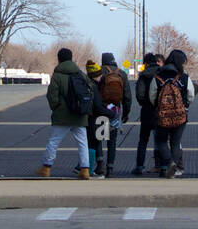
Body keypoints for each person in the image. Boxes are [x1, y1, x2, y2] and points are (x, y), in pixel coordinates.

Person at [36, 48, 92, 179]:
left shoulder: (57, 76)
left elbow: (52, 95)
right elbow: (90, 91)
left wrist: (56, 108)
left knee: (54, 141)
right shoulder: (81, 74)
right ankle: (85, 170)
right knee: (83, 143)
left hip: (62, 116)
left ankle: (46, 168)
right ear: (71, 58)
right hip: (79, 115)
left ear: (59, 59)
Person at [148, 49, 191, 178]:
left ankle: (169, 162)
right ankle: (177, 167)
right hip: (180, 116)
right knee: (175, 142)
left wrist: (158, 106)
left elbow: (152, 95)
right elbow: (191, 94)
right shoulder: (184, 77)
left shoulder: (158, 76)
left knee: (161, 141)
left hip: (162, 115)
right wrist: (185, 105)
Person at [94, 52, 131, 177]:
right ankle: (110, 168)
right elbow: (127, 96)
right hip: (116, 110)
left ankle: (100, 164)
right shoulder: (122, 73)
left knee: (99, 138)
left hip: (102, 108)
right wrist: (126, 113)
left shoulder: (100, 72)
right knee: (112, 141)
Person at [131, 53, 161, 175]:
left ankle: (139, 166)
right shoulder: (161, 74)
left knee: (143, 140)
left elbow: (140, 95)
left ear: (146, 63)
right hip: (160, 111)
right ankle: (162, 166)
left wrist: (144, 103)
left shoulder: (143, 76)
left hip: (147, 111)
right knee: (160, 140)